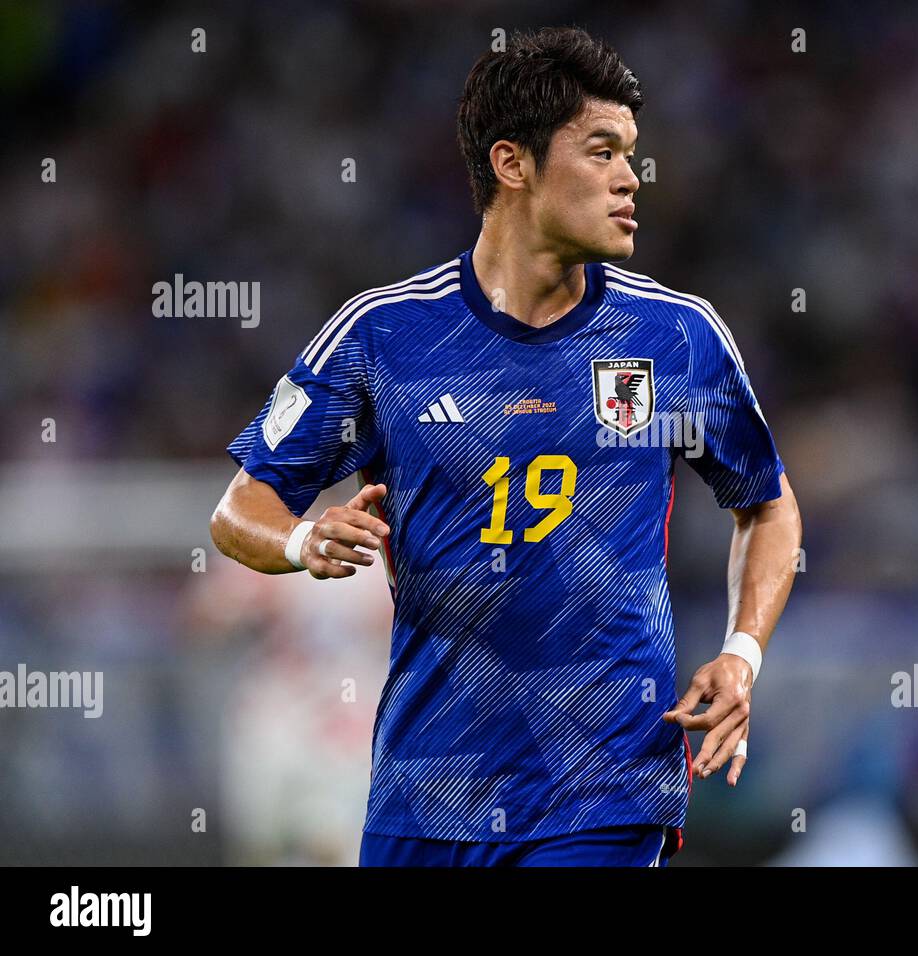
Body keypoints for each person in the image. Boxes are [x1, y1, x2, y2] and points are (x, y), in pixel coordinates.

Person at [210, 25, 801, 867]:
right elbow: (239, 511)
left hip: (606, 788)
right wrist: (305, 539)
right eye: (601, 152)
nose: (631, 178)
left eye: (631, 153)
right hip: (427, 793)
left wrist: (742, 654)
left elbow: (768, 505)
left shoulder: (675, 336)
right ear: (513, 163)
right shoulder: (383, 337)